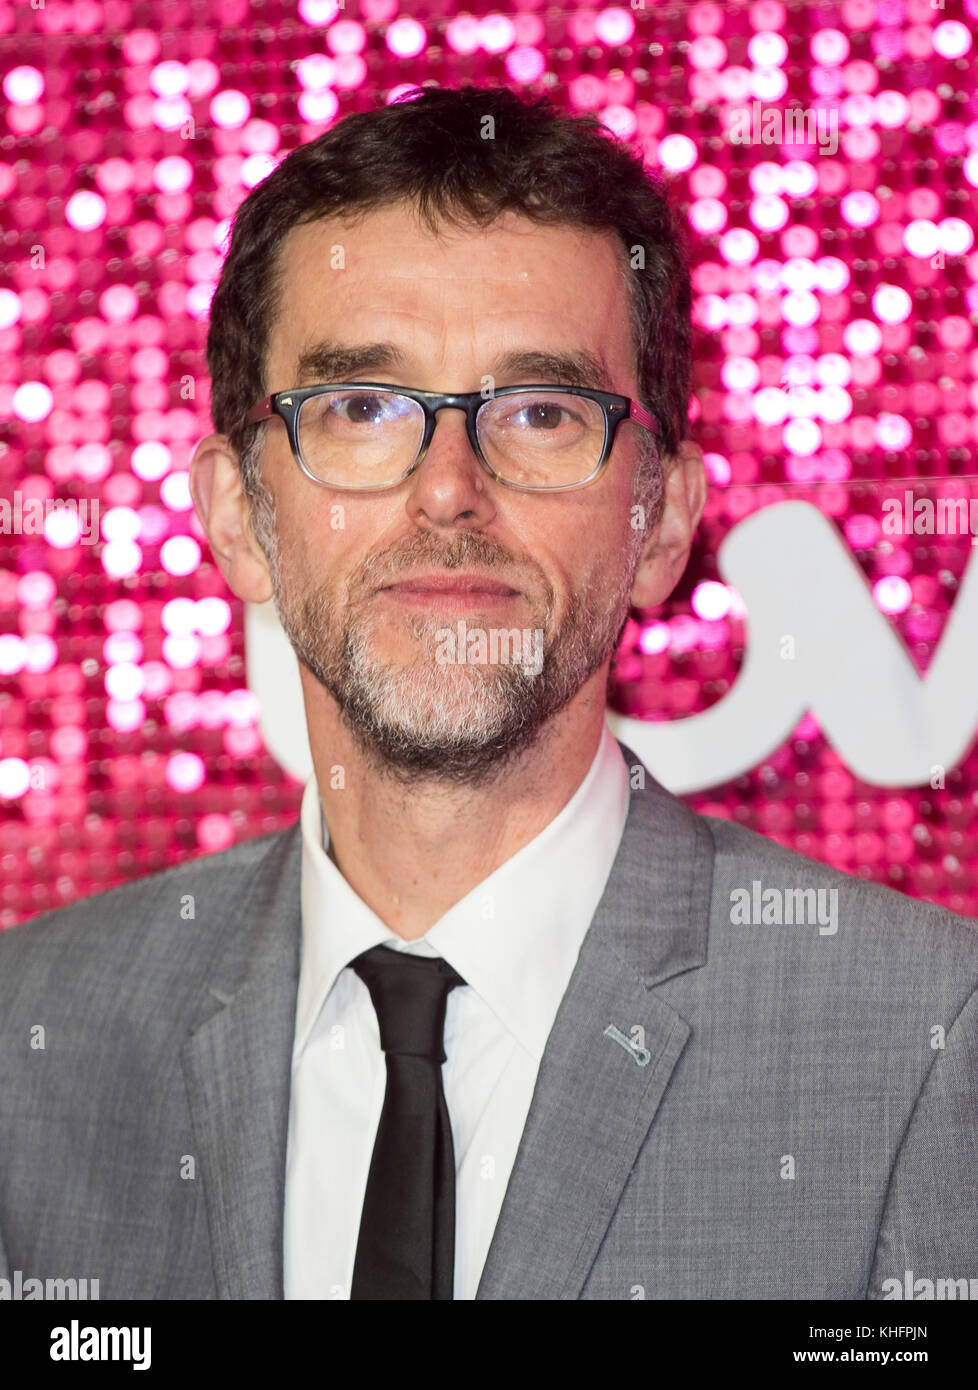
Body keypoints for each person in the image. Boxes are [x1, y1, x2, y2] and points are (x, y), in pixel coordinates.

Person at [1, 84, 976, 1302]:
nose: (450, 489)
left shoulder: (929, 1043)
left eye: (541, 412)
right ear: (239, 516)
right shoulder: (27, 1037)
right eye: (362, 408)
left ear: (662, 519)